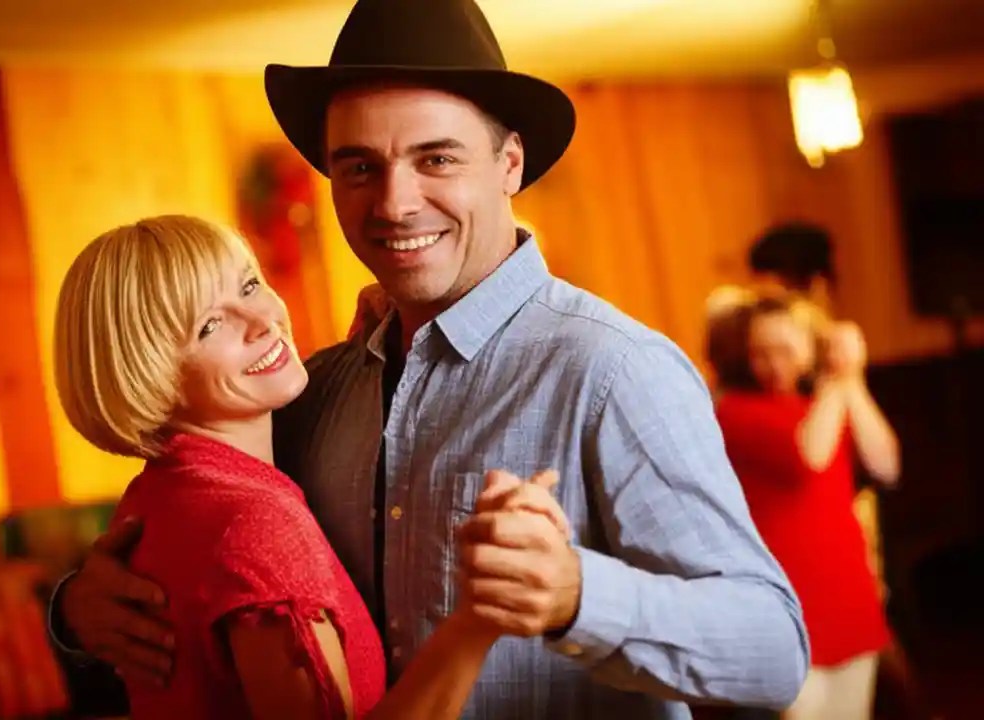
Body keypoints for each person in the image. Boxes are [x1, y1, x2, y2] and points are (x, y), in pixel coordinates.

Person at [51, 1, 809, 717]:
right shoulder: (316, 390)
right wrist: (78, 607)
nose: (394, 203)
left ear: (510, 163)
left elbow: (774, 649)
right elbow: (210, 525)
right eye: (358, 168)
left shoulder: (611, 371)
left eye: (436, 158)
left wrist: (580, 596)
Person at [52, 214, 571, 719]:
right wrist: (476, 619)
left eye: (250, 285)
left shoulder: (157, 493)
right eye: (209, 326)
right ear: (144, 375)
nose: (263, 321)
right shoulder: (257, 526)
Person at [713, 295, 900, 720]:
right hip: (791, 615)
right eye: (760, 353)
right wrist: (840, 378)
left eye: (784, 349)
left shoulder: (826, 402)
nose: (773, 364)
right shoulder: (733, 410)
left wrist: (852, 381)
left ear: (810, 348)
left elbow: (886, 464)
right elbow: (808, 455)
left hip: (850, 600)